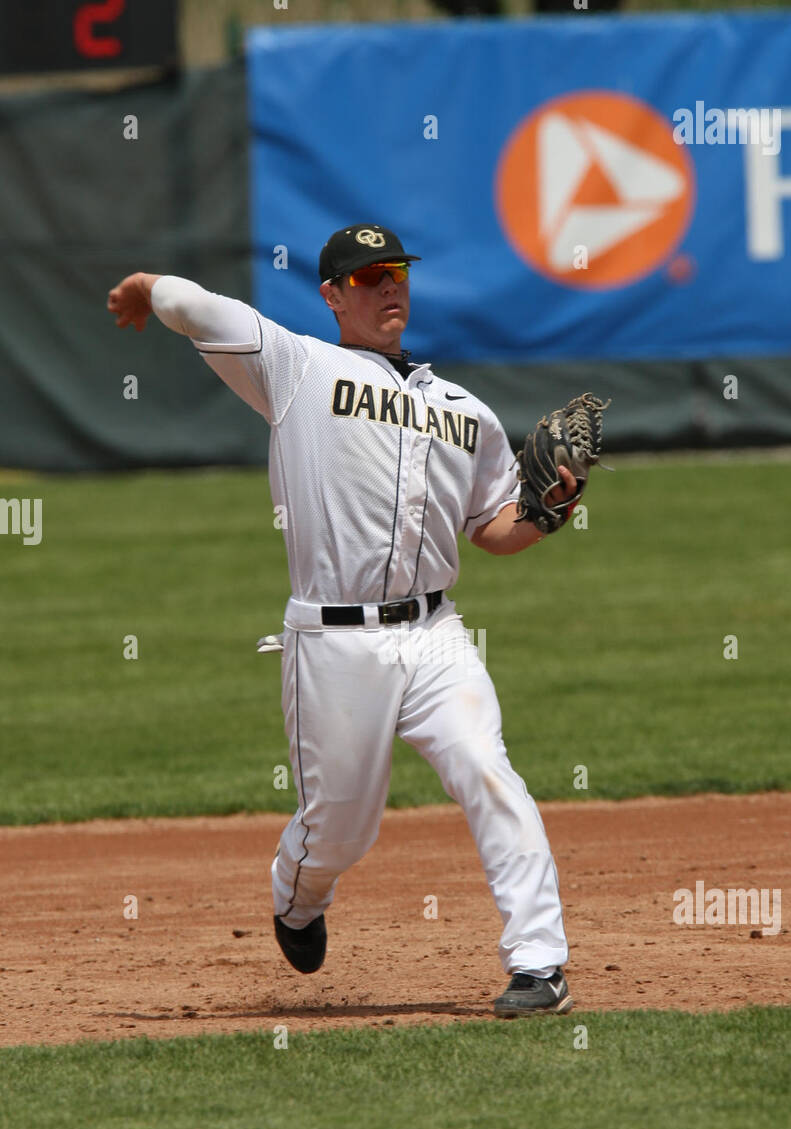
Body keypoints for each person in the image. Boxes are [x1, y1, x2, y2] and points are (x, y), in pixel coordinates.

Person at [106, 223, 582, 1018]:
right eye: (367, 278)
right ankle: (297, 899)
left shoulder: (465, 411)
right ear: (332, 295)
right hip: (333, 641)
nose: (388, 286)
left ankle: (539, 963)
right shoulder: (296, 367)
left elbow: (496, 530)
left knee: (486, 769)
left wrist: (552, 509)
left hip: (435, 635)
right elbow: (200, 309)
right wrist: (148, 288)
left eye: (396, 272)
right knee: (341, 830)